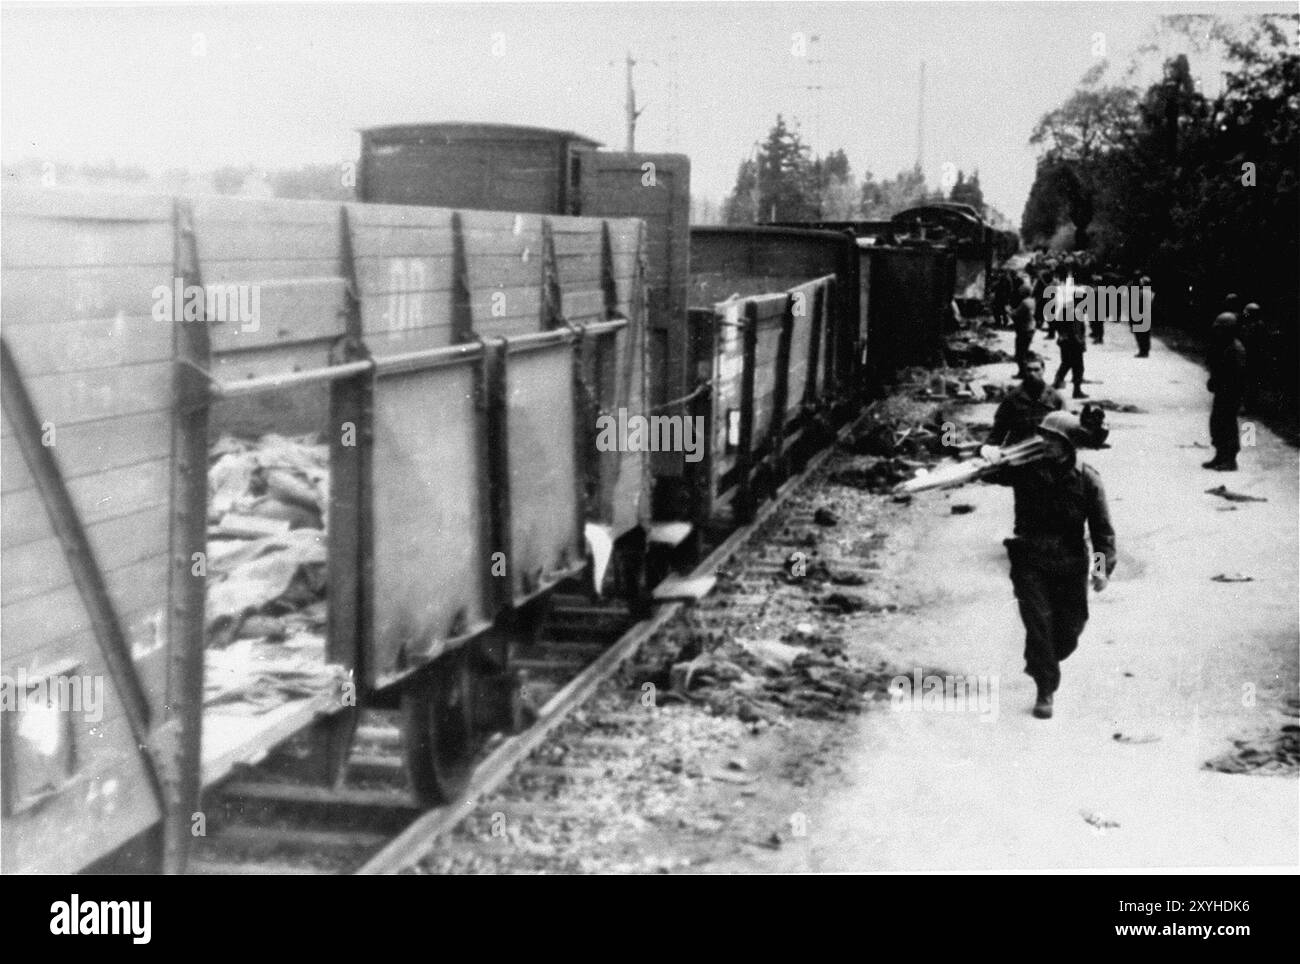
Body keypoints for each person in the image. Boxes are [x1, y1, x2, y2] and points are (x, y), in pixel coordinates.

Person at [984, 412, 1116, 719]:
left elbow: (1102, 530)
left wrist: (1100, 570)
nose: (1045, 443)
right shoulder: (1025, 468)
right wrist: (987, 454)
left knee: (1070, 629)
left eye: (1053, 440)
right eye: (1043, 437)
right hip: (1029, 556)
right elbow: (988, 473)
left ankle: (1043, 659)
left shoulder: (1087, 479)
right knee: (1039, 622)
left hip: (1070, 561)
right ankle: (1045, 688)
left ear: (1068, 445)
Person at [983, 352, 1064, 449]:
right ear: (1024, 371)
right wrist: (987, 449)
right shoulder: (1012, 398)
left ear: (1043, 370)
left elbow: (1064, 428)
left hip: (1045, 451)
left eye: (1036, 370)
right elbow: (998, 430)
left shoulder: (1055, 397)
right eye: (1028, 370)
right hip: (1019, 450)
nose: (1032, 374)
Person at [1204, 310, 1247, 471]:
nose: (1216, 331)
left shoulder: (1236, 349)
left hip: (1231, 392)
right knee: (1217, 423)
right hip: (1223, 390)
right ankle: (1220, 454)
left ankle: (1230, 459)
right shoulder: (1223, 345)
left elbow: (1236, 375)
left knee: (1227, 424)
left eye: (1220, 328)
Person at [1049, 274, 1089, 399]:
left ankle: (1055, 385)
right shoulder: (1076, 310)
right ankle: (1076, 391)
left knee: (1065, 364)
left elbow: (1057, 323)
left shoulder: (1066, 307)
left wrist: (1061, 335)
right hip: (1073, 343)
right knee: (1078, 367)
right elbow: (1075, 330)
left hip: (1064, 341)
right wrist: (1081, 343)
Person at [1011, 283, 1035, 376]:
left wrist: (1009, 311)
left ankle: (1023, 373)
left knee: (1020, 353)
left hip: (1024, 330)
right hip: (1030, 328)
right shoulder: (1032, 301)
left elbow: (1015, 315)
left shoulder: (1024, 302)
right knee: (1024, 351)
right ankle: (1024, 372)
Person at [1131, 275, 1153, 357]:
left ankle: (1142, 351)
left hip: (1140, 315)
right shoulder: (1152, 293)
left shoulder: (1140, 292)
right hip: (1148, 316)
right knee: (1146, 334)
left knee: (1140, 334)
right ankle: (1146, 351)